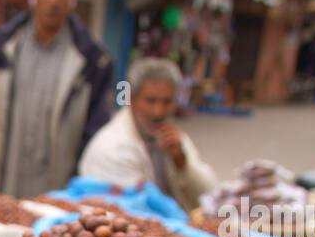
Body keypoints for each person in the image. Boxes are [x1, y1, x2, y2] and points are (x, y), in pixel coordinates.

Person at [0, 0, 114, 197]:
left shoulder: (92, 61)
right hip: (1, 186)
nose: (54, 1)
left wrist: (84, 189)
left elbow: (96, 134)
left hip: (58, 196)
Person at [78, 58, 217, 212]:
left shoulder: (173, 138)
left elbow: (210, 195)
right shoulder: (112, 147)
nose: (158, 111)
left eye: (167, 102)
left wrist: (181, 163)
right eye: (151, 101)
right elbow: (133, 212)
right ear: (131, 99)